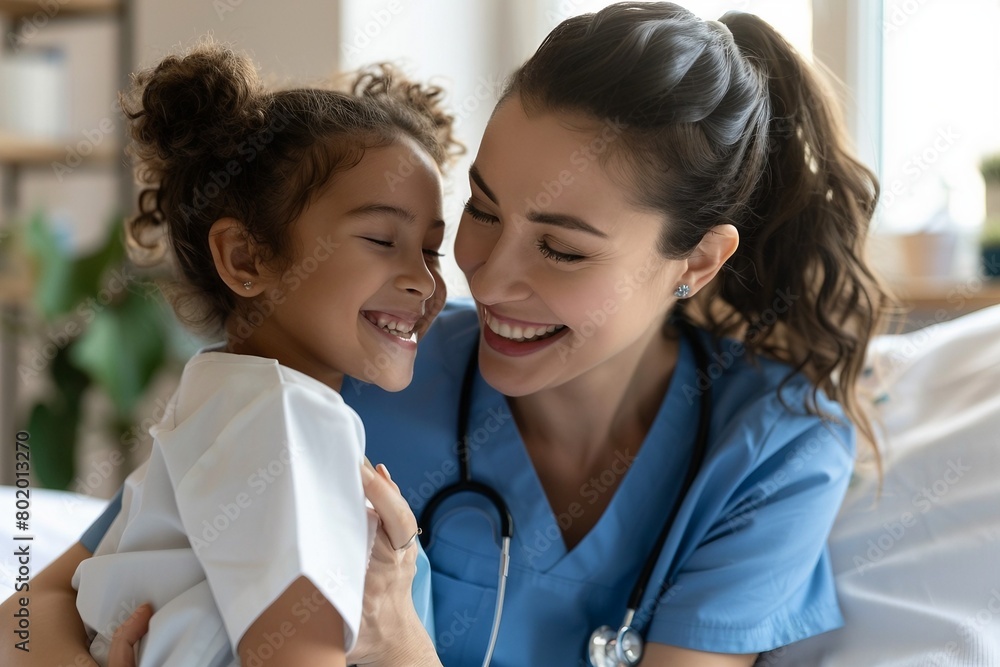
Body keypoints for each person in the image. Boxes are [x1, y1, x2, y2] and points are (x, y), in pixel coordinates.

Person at [2, 4, 891, 666]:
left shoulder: (771, 445)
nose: (484, 278)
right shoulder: (364, 360)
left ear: (696, 260)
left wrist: (399, 643)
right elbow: (29, 612)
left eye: (560, 248)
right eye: (483, 211)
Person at [64, 42, 458, 667]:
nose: (423, 280)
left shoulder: (212, 405)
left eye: (431, 251)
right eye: (382, 239)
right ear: (246, 258)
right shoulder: (294, 419)